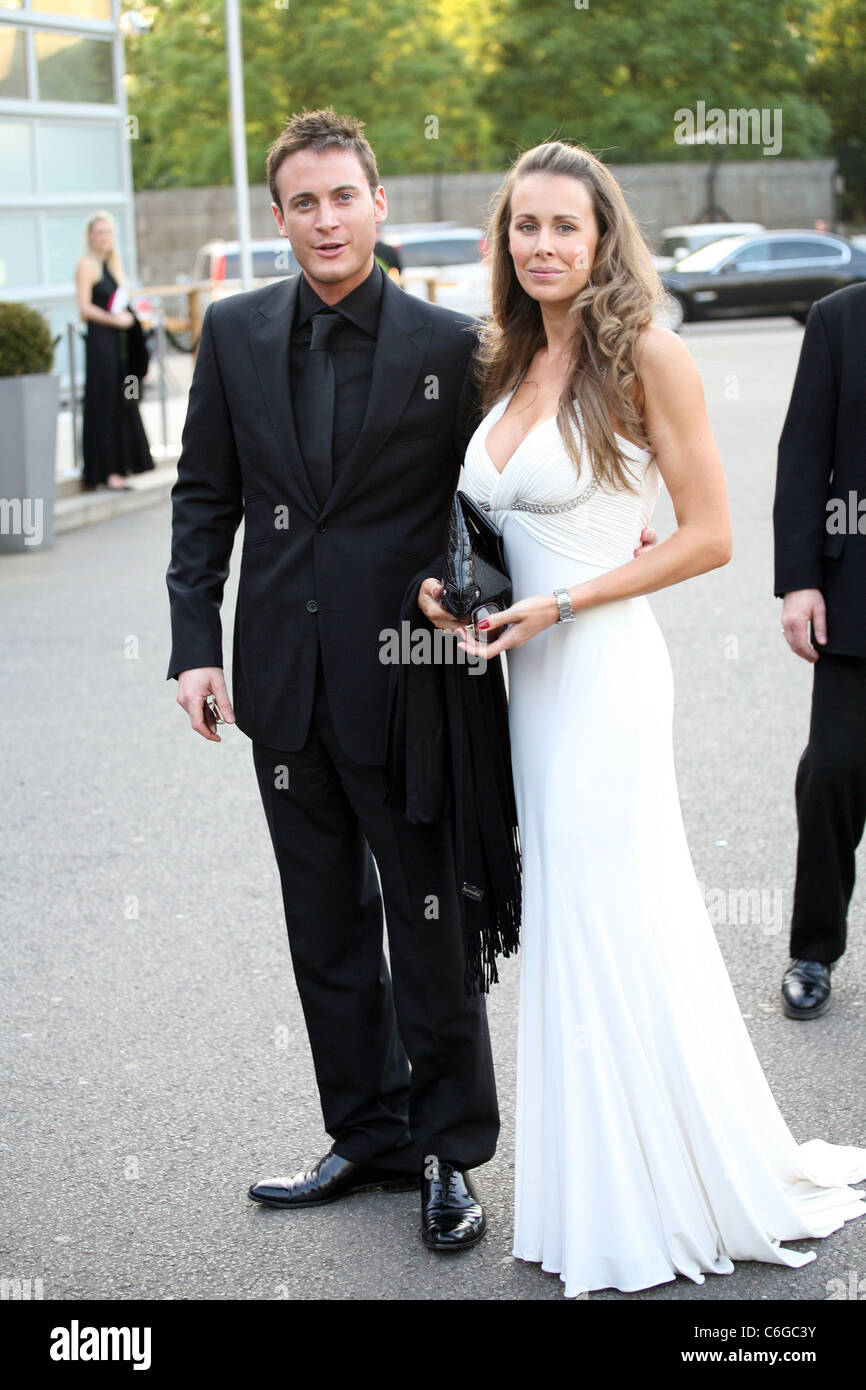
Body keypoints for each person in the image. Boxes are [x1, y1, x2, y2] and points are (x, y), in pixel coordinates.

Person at [418, 139, 866, 1297]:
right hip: (527, 681)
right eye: (524, 225)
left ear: (604, 234)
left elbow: (708, 534)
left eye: (565, 225)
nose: (543, 244)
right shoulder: (504, 359)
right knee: (573, 920)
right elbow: (487, 523)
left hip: (603, 673)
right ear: (503, 240)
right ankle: (595, 1182)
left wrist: (564, 597)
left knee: (614, 914)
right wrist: (446, 592)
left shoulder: (645, 357)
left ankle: (654, 1189)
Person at [166, 108, 501, 1252]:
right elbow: (202, 496)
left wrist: (466, 593)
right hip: (280, 683)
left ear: (378, 202)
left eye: (342, 196)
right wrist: (192, 644)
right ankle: (365, 1133)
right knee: (324, 924)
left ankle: (449, 1153)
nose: (324, 218)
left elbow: (488, 512)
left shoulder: (450, 345)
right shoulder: (235, 332)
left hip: (407, 686)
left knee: (427, 927)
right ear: (277, 217)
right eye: (301, 201)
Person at [774, 282, 866, 1019]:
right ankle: (814, 948)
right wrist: (799, 581)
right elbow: (804, 454)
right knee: (834, 770)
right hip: (856, 590)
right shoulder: (840, 319)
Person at [75, 210, 153, 491]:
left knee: (122, 401)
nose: (105, 238)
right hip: (100, 344)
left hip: (117, 344)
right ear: (90, 236)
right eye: (100, 232)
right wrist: (116, 320)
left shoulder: (112, 265)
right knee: (104, 403)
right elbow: (84, 308)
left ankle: (122, 465)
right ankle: (104, 471)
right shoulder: (86, 265)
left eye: (108, 232)